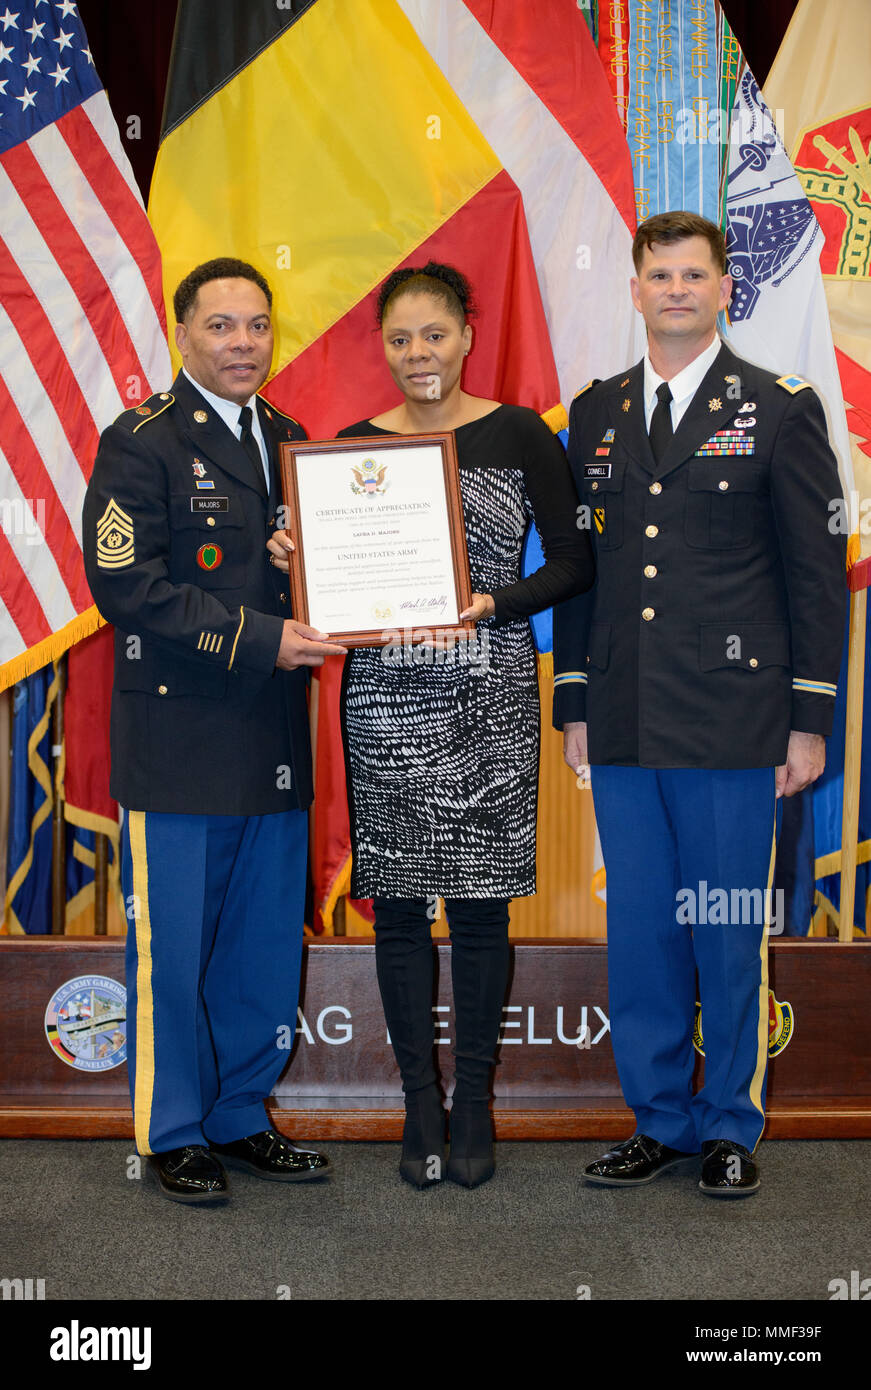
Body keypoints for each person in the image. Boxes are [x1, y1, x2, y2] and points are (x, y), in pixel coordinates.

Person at [270, 262, 594, 1189]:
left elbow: (574, 564)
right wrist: (296, 552)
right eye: (401, 339)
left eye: (435, 334)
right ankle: (421, 1107)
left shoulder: (521, 433)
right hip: (381, 700)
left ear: (466, 336)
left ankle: (477, 1105)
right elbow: (323, 588)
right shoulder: (347, 449)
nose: (420, 354)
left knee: (484, 910)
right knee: (401, 911)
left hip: (487, 688)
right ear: (385, 346)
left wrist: (495, 602)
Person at [553, 212, 846, 1197]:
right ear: (632, 290)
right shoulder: (594, 414)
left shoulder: (778, 405)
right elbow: (585, 571)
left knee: (724, 923)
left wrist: (807, 718)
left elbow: (813, 576)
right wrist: (575, 701)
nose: (674, 291)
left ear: (725, 289)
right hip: (627, 716)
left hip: (734, 721)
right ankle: (659, 1119)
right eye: (658, 275)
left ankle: (728, 1122)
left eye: (692, 276)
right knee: (642, 929)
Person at [83, 258, 346, 1203]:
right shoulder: (141, 441)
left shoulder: (288, 437)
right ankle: (173, 1129)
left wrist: (309, 568)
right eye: (222, 326)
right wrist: (258, 633)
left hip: (272, 737)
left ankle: (241, 1114)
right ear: (182, 332)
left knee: (261, 945)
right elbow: (126, 586)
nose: (243, 344)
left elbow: (303, 577)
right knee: (175, 948)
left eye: (257, 326)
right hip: (180, 739)